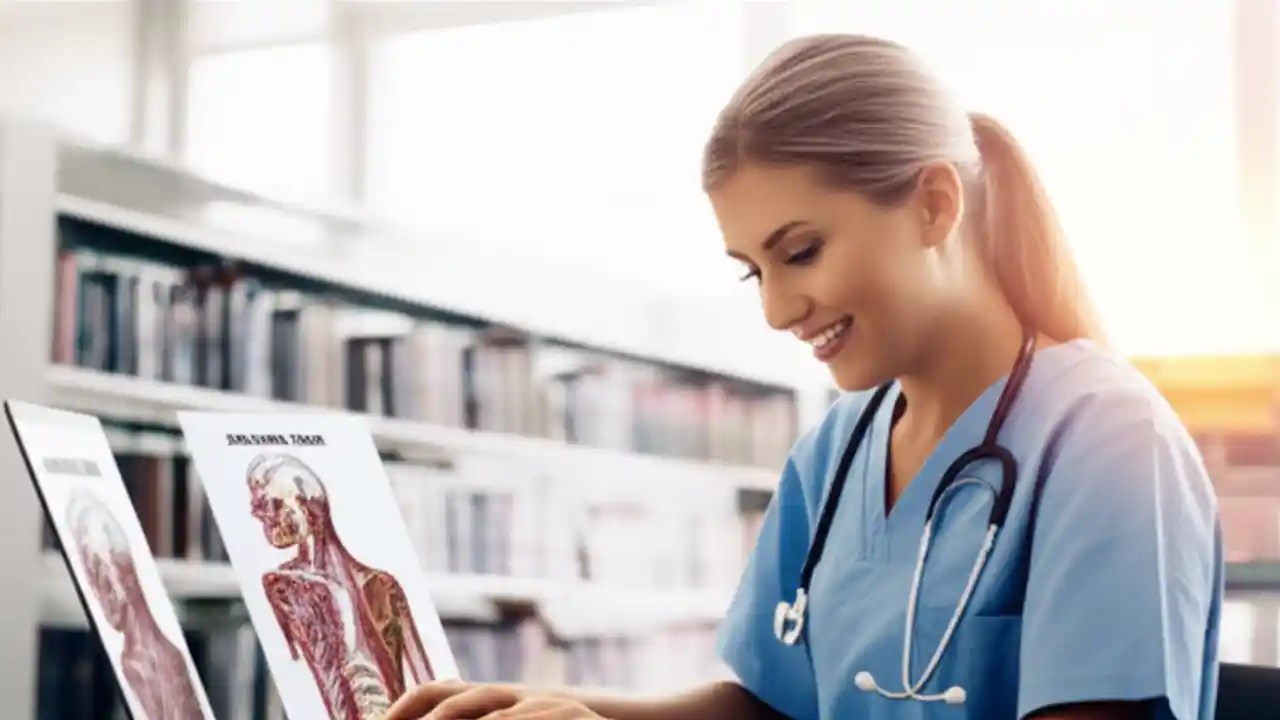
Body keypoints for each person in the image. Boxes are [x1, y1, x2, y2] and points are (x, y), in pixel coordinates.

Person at [386, 32, 1223, 720]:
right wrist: (539, 706)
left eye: (802, 252)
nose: (778, 310)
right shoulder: (838, 449)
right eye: (755, 271)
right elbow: (768, 707)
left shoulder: (1108, 443)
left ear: (934, 204)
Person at [248, 453, 435, 719]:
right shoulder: (282, 586)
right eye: (258, 506)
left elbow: (430, 690)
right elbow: (295, 669)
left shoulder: (381, 585)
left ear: (306, 506)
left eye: (271, 504)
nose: (260, 515)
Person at [67, 489, 209, 720]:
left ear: (130, 571)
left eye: (107, 567)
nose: (103, 588)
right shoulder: (130, 661)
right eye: (93, 571)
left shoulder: (165, 658)